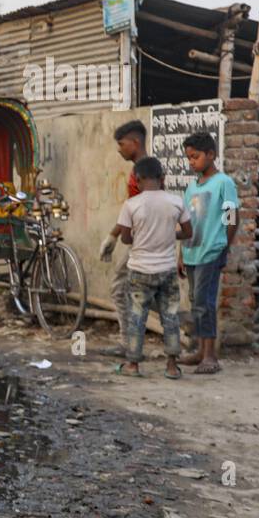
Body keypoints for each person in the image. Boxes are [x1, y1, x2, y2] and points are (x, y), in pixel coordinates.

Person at [115, 156, 191, 378]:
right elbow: (188, 232)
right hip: (167, 270)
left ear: (137, 180)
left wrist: (141, 236)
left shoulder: (131, 205)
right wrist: (169, 234)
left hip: (139, 271)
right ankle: (171, 367)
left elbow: (126, 239)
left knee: (137, 318)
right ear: (163, 178)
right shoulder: (176, 202)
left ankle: (133, 365)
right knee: (170, 317)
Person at [179, 131, 239, 374]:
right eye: (189, 158)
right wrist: (181, 254)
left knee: (205, 302)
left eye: (195, 157)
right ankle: (200, 352)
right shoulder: (191, 187)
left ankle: (211, 356)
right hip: (192, 252)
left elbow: (232, 217)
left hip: (211, 251)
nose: (191, 162)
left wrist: (224, 246)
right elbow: (186, 223)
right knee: (196, 302)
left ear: (211, 155)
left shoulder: (224, 183)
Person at [101, 120, 149, 344]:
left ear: (135, 142)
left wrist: (116, 235)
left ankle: (128, 344)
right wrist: (114, 235)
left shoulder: (144, 172)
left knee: (120, 290)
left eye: (122, 144)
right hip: (141, 239)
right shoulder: (142, 169)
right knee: (134, 291)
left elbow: (141, 208)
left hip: (143, 240)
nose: (119, 149)